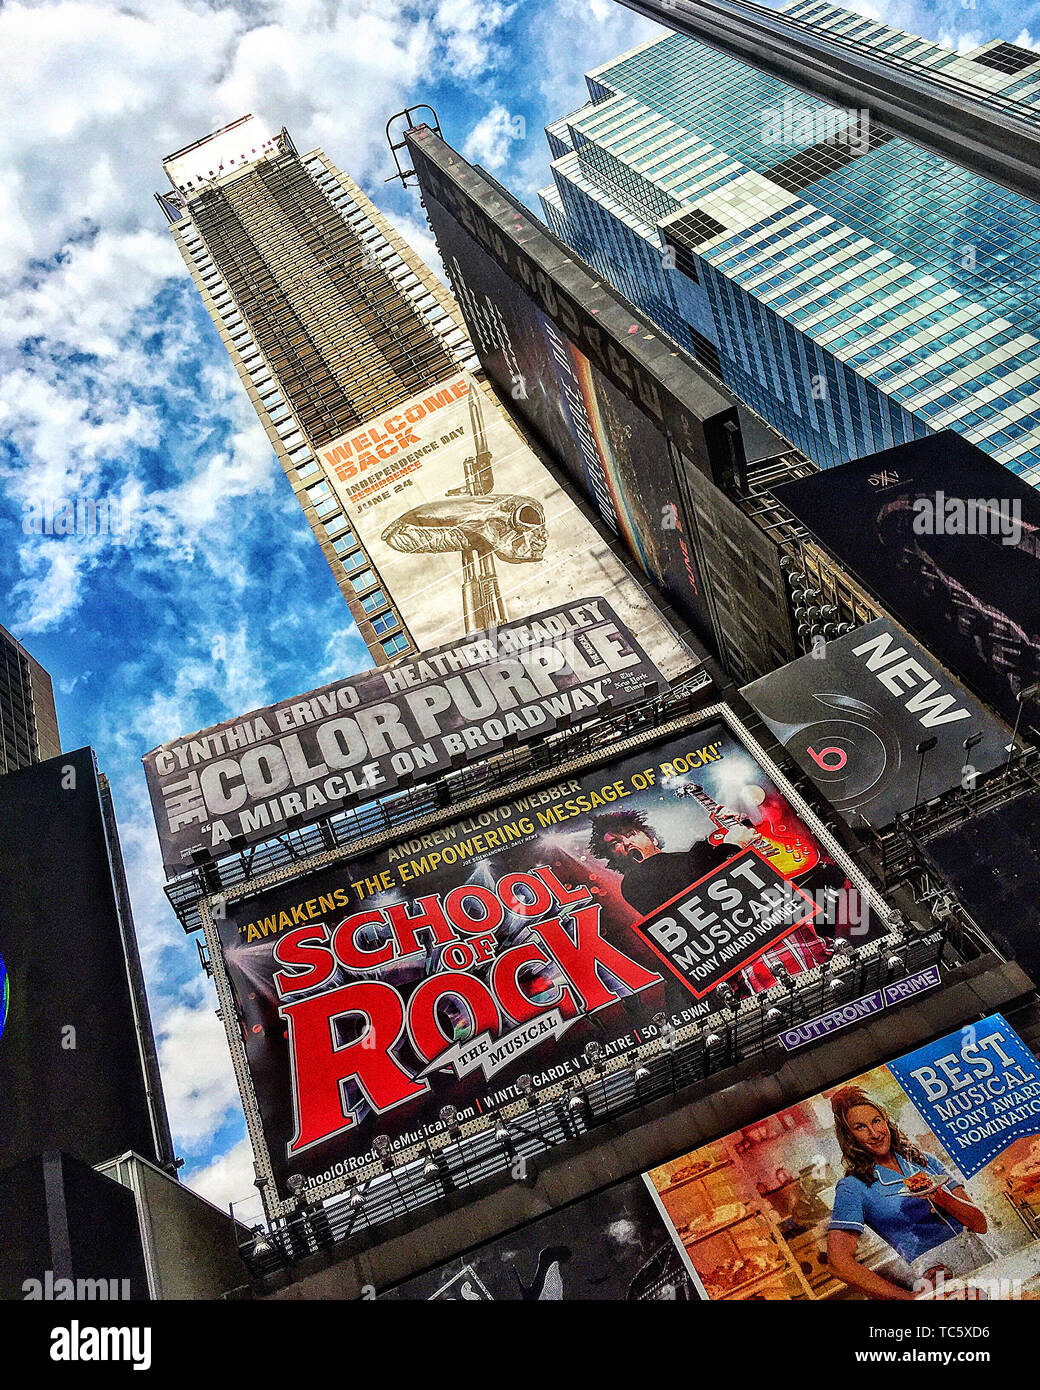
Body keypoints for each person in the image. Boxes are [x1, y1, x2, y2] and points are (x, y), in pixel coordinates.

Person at [588, 809, 831, 993]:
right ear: (610, 856)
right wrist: (730, 842)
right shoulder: (635, 883)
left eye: (630, 834)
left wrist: (739, 827)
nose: (626, 843)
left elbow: (770, 866)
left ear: (651, 837)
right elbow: (686, 879)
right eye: (615, 843)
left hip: (794, 932)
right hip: (752, 954)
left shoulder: (689, 859)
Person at [826, 1086, 990, 1300]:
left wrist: (941, 1197)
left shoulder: (924, 1161)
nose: (875, 1133)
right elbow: (838, 1264)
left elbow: (980, 1224)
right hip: (939, 1281)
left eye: (876, 1121)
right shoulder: (853, 1186)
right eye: (860, 1127)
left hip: (983, 1259)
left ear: (886, 1120)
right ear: (849, 1137)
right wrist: (907, 1297)